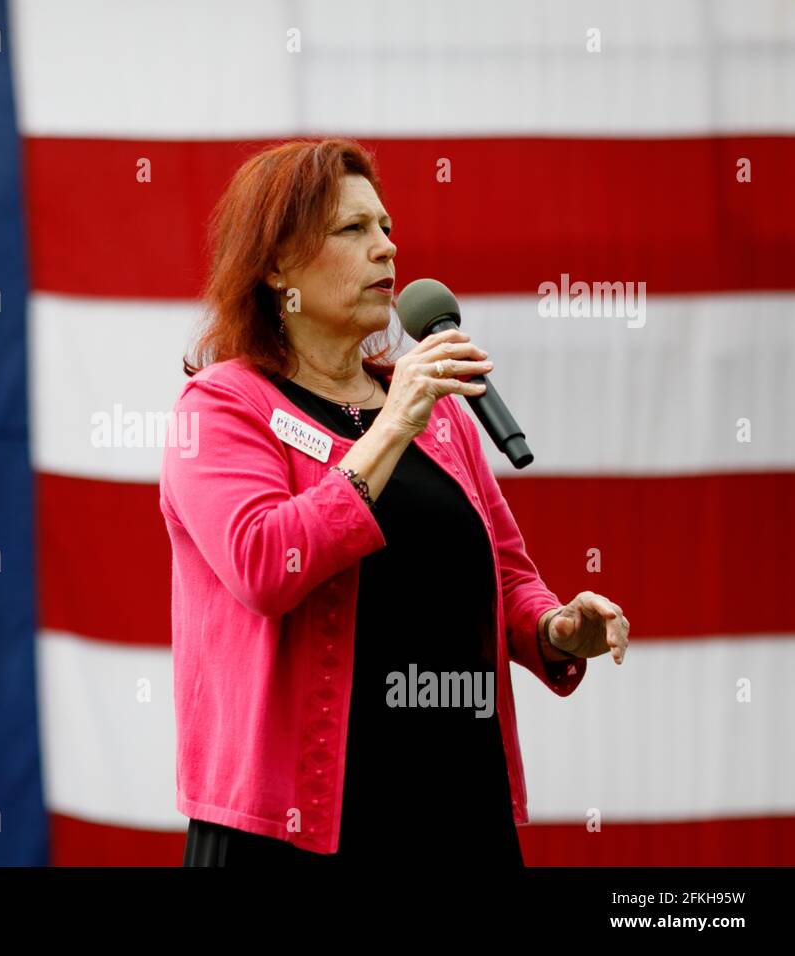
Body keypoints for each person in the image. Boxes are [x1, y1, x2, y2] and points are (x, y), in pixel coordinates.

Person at [159, 139, 631, 867]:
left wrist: (559, 627)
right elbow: (263, 566)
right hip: (298, 828)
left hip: (454, 811)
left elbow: (505, 576)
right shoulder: (222, 406)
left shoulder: (433, 413)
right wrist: (392, 426)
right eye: (353, 230)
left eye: (387, 228)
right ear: (277, 263)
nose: (387, 249)